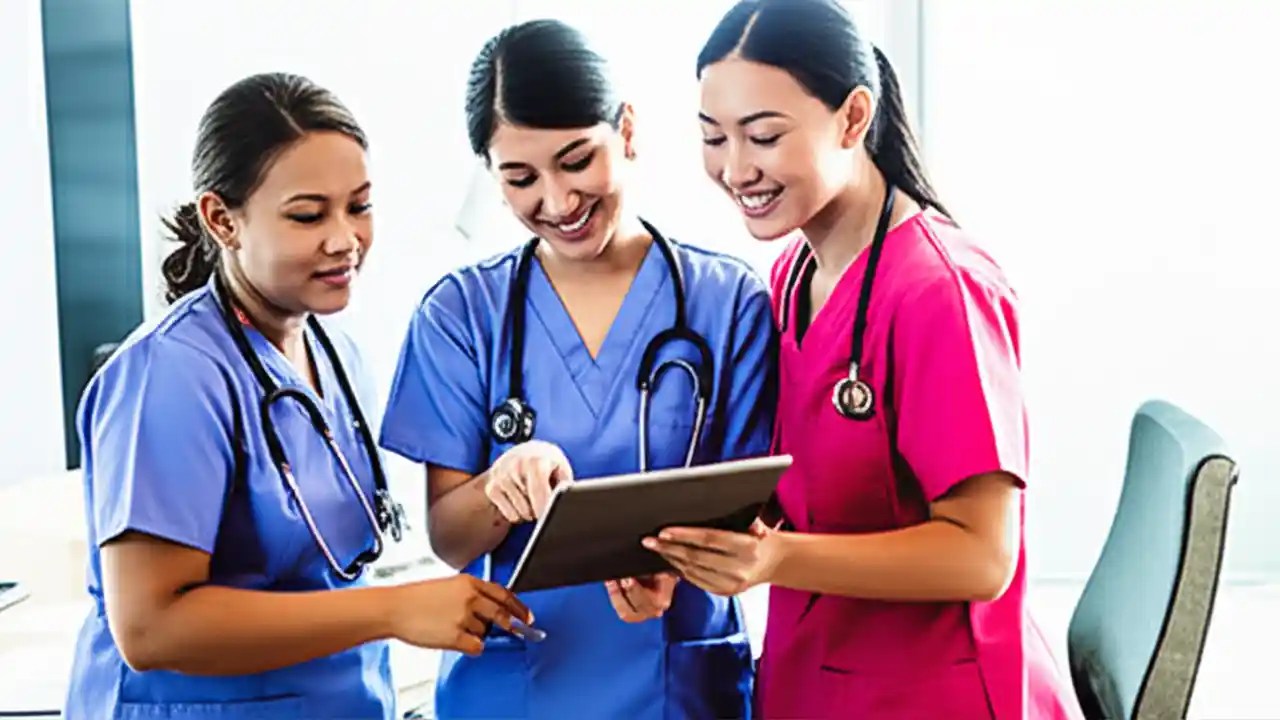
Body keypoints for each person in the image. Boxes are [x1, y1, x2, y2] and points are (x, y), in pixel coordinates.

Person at [641, 2, 1086, 718]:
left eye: (762, 136)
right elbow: (806, 490)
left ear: (853, 119)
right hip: (818, 670)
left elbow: (981, 557)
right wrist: (688, 561)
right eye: (713, 137)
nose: (734, 168)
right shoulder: (793, 275)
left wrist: (778, 561)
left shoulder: (942, 291)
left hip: (933, 694)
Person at [64, 72, 530, 720]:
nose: (344, 239)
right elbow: (150, 628)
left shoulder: (337, 358)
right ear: (222, 219)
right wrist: (395, 609)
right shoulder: (170, 376)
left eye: (359, 206)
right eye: (308, 215)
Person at [378, 19, 776, 720]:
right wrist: (497, 488)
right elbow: (450, 538)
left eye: (576, 160)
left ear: (626, 131)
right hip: (516, 686)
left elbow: (758, 511)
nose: (558, 202)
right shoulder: (461, 315)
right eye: (521, 178)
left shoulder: (726, 303)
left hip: (675, 681)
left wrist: (677, 575)